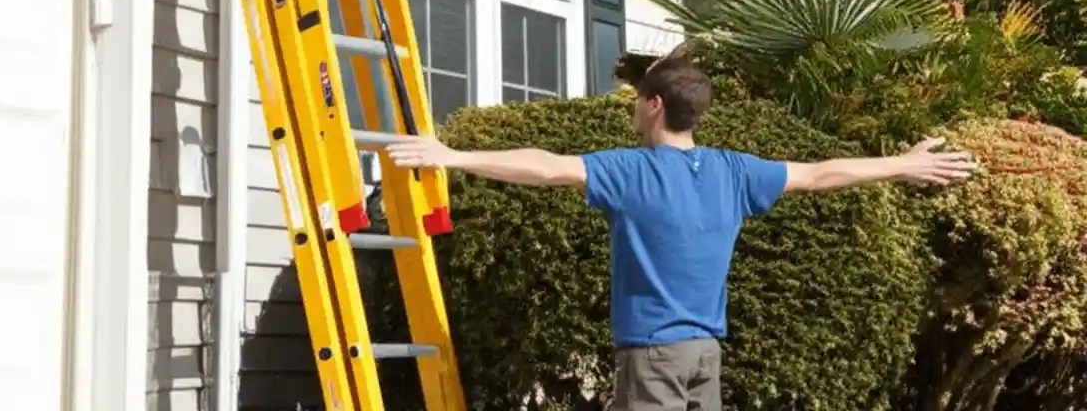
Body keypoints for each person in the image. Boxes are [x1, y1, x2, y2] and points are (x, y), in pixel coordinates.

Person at [384, 51, 975, 411]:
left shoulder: (633, 171)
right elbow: (823, 174)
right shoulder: (734, 171)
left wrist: (451, 155)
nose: (633, 109)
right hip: (703, 356)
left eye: (638, 100)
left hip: (654, 356)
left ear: (656, 107)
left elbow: (545, 166)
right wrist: (902, 163)